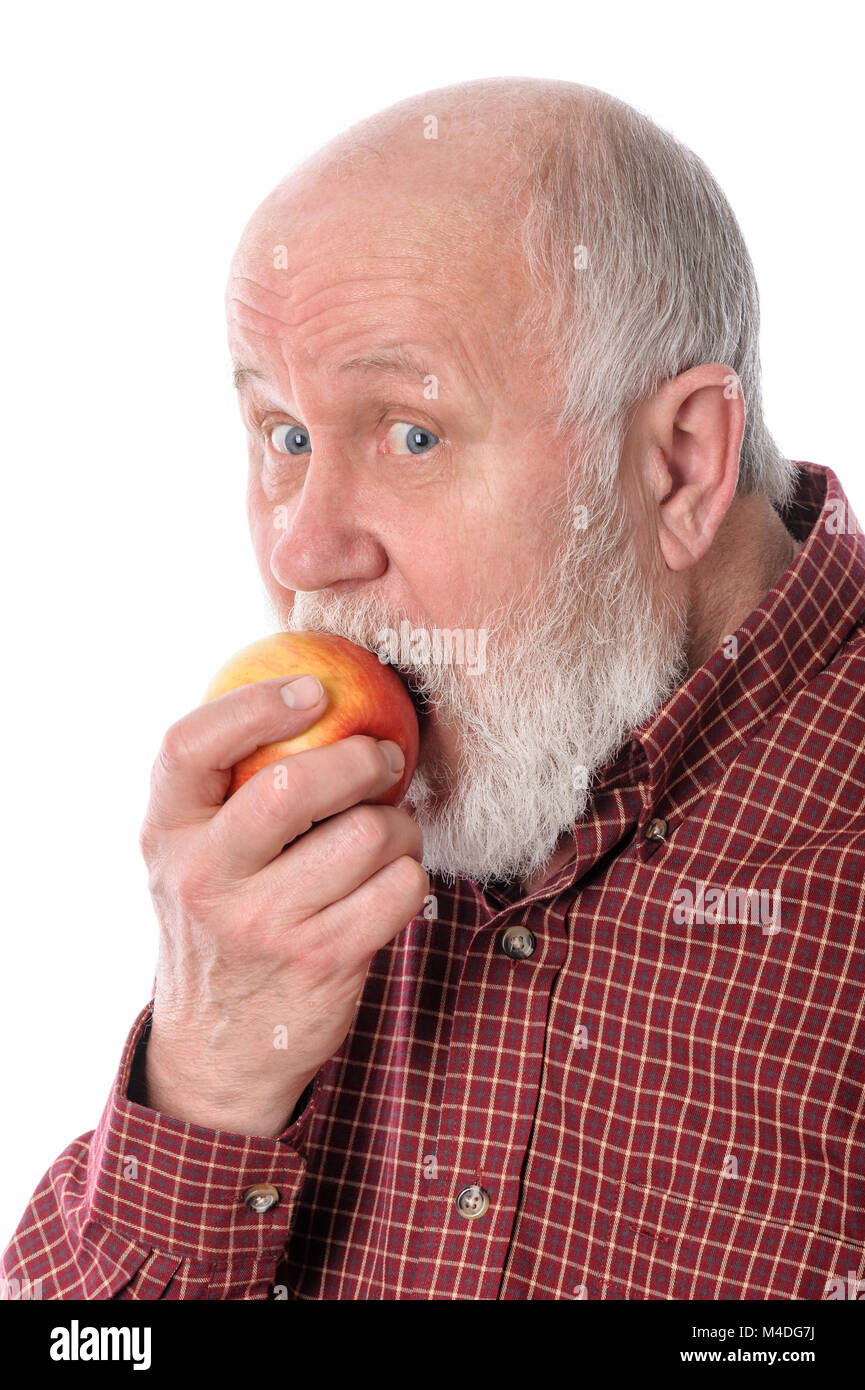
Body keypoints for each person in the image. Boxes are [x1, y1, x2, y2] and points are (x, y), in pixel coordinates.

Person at [4, 76, 864, 1301]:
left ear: (679, 463)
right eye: (286, 437)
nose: (302, 554)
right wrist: (204, 1082)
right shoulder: (300, 877)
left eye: (411, 434)